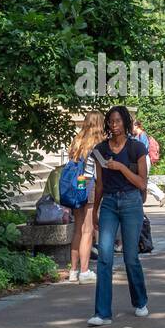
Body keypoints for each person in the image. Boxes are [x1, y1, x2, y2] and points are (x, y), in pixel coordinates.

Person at [88, 105, 150, 325]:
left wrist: (122, 168)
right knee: (104, 255)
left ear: (125, 122)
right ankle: (102, 313)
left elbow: (142, 183)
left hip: (132, 201)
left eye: (118, 121)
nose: (114, 125)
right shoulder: (100, 150)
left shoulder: (136, 148)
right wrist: (94, 210)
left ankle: (140, 301)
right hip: (110, 203)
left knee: (130, 256)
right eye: (111, 121)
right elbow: (100, 183)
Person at [62, 112, 104, 283]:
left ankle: (73, 271)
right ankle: (85, 271)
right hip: (89, 187)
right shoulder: (98, 145)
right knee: (88, 230)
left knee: (78, 229)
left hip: (76, 186)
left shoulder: (76, 142)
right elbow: (104, 166)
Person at [131, 121, 165, 206]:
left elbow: (144, 149)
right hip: (140, 159)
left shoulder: (142, 135)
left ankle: (160, 195)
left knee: (144, 180)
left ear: (136, 126)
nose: (130, 129)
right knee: (143, 180)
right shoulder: (136, 136)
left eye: (132, 126)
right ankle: (159, 196)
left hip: (144, 159)